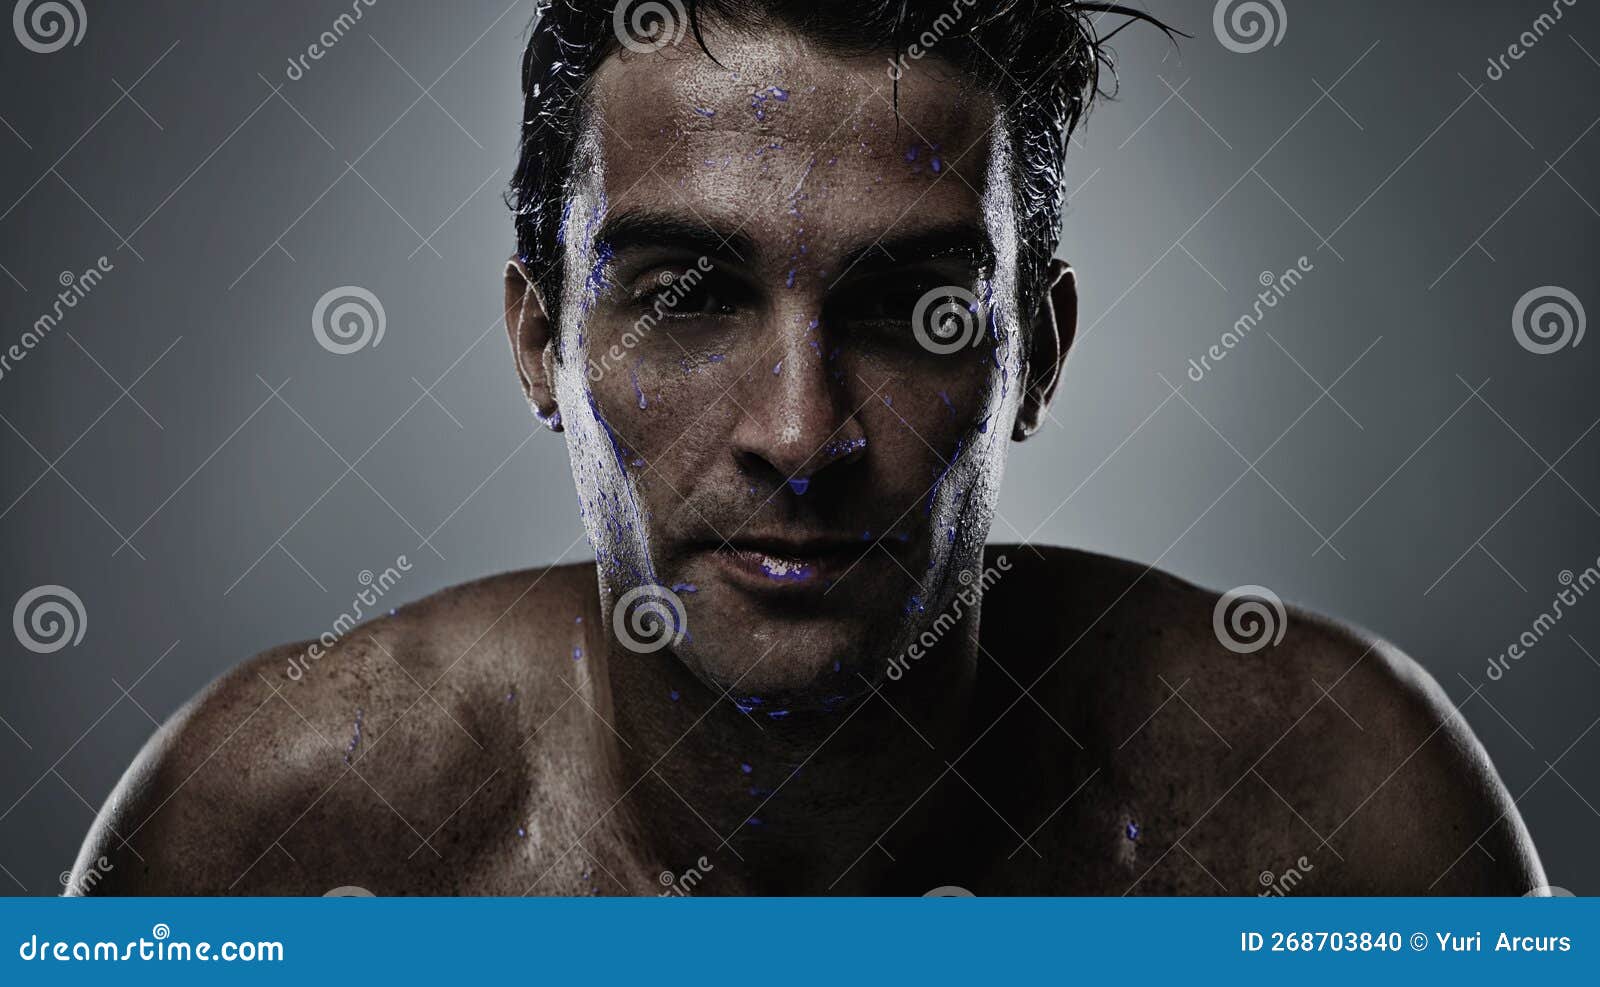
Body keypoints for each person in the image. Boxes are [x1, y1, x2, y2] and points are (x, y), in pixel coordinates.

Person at [70, 0, 1545, 896]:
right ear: (540, 341)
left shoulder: (1337, 806)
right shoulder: (274, 835)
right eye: (689, 298)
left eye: (913, 311)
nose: (800, 433)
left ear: (1038, 350)